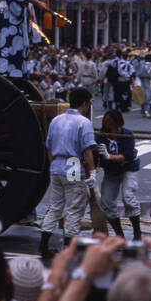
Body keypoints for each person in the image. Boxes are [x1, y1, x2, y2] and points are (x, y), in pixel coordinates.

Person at [39, 87, 98, 260]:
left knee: (55, 207)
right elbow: (87, 151)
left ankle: (43, 246)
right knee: (75, 209)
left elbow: (48, 146)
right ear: (84, 103)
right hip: (73, 166)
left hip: (56, 165)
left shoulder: (56, 120)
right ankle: (67, 248)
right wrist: (92, 172)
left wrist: (55, 165)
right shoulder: (84, 122)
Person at [96, 109, 141, 240]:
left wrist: (108, 156)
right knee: (107, 201)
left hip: (128, 168)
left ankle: (137, 234)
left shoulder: (127, 134)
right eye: (114, 127)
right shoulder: (101, 137)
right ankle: (119, 235)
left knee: (128, 197)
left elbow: (126, 156)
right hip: (111, 171)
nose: (117, 130)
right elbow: (94, 157)